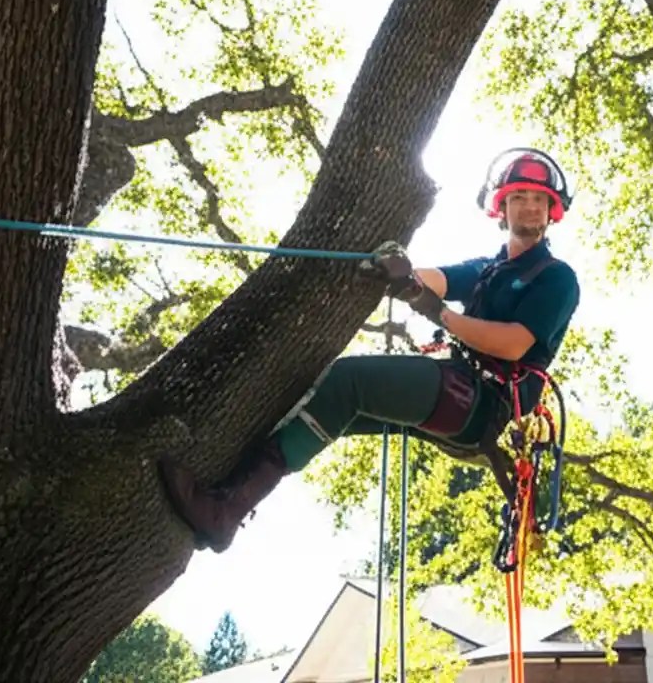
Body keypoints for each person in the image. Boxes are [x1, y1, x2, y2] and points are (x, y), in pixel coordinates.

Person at [158, 147, 583, 553]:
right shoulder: (489, 270)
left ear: (551, 211)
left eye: (539, 200)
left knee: (349, 380)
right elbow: (437, 278)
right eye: (519, 197)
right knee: (330, 401)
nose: (529, 207)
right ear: (501, 207)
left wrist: (437, 313)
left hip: (482, 403)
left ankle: (225, 509)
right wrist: (396, 267)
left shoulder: (555, 278)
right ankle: (229, 503)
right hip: (460, 389)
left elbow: (512, 345)